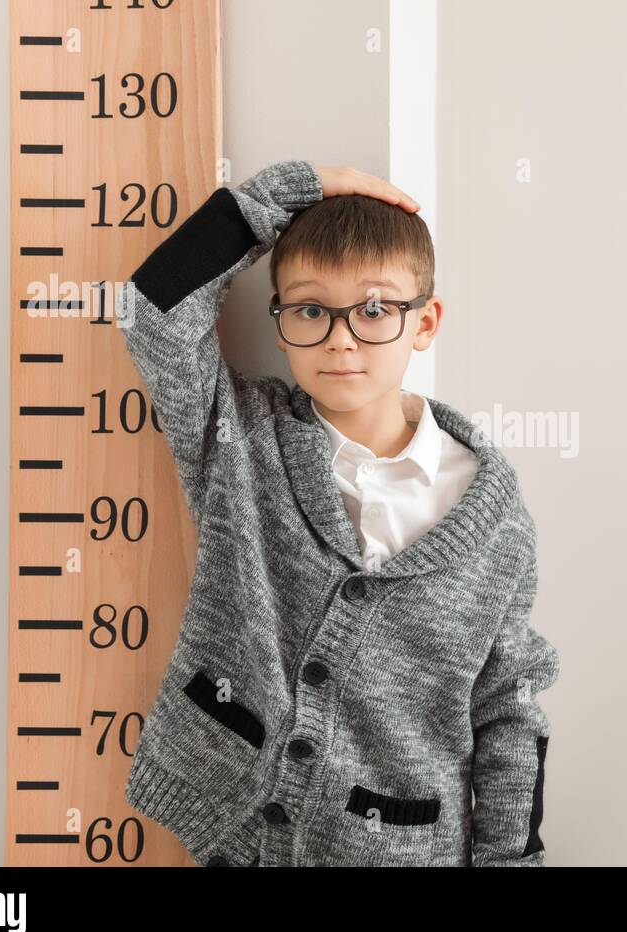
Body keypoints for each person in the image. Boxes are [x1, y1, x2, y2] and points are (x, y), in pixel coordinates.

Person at [117, 160, 559, 866]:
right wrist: (291, 192)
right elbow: (153, 311)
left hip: (399, 844)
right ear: (282, 317)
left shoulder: (493, 520)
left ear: (425, 322)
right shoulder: (240, 438)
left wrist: (511, 859)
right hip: (234, 822)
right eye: (311, 309)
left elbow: (508, 707)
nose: (341, 338)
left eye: (377, 308)